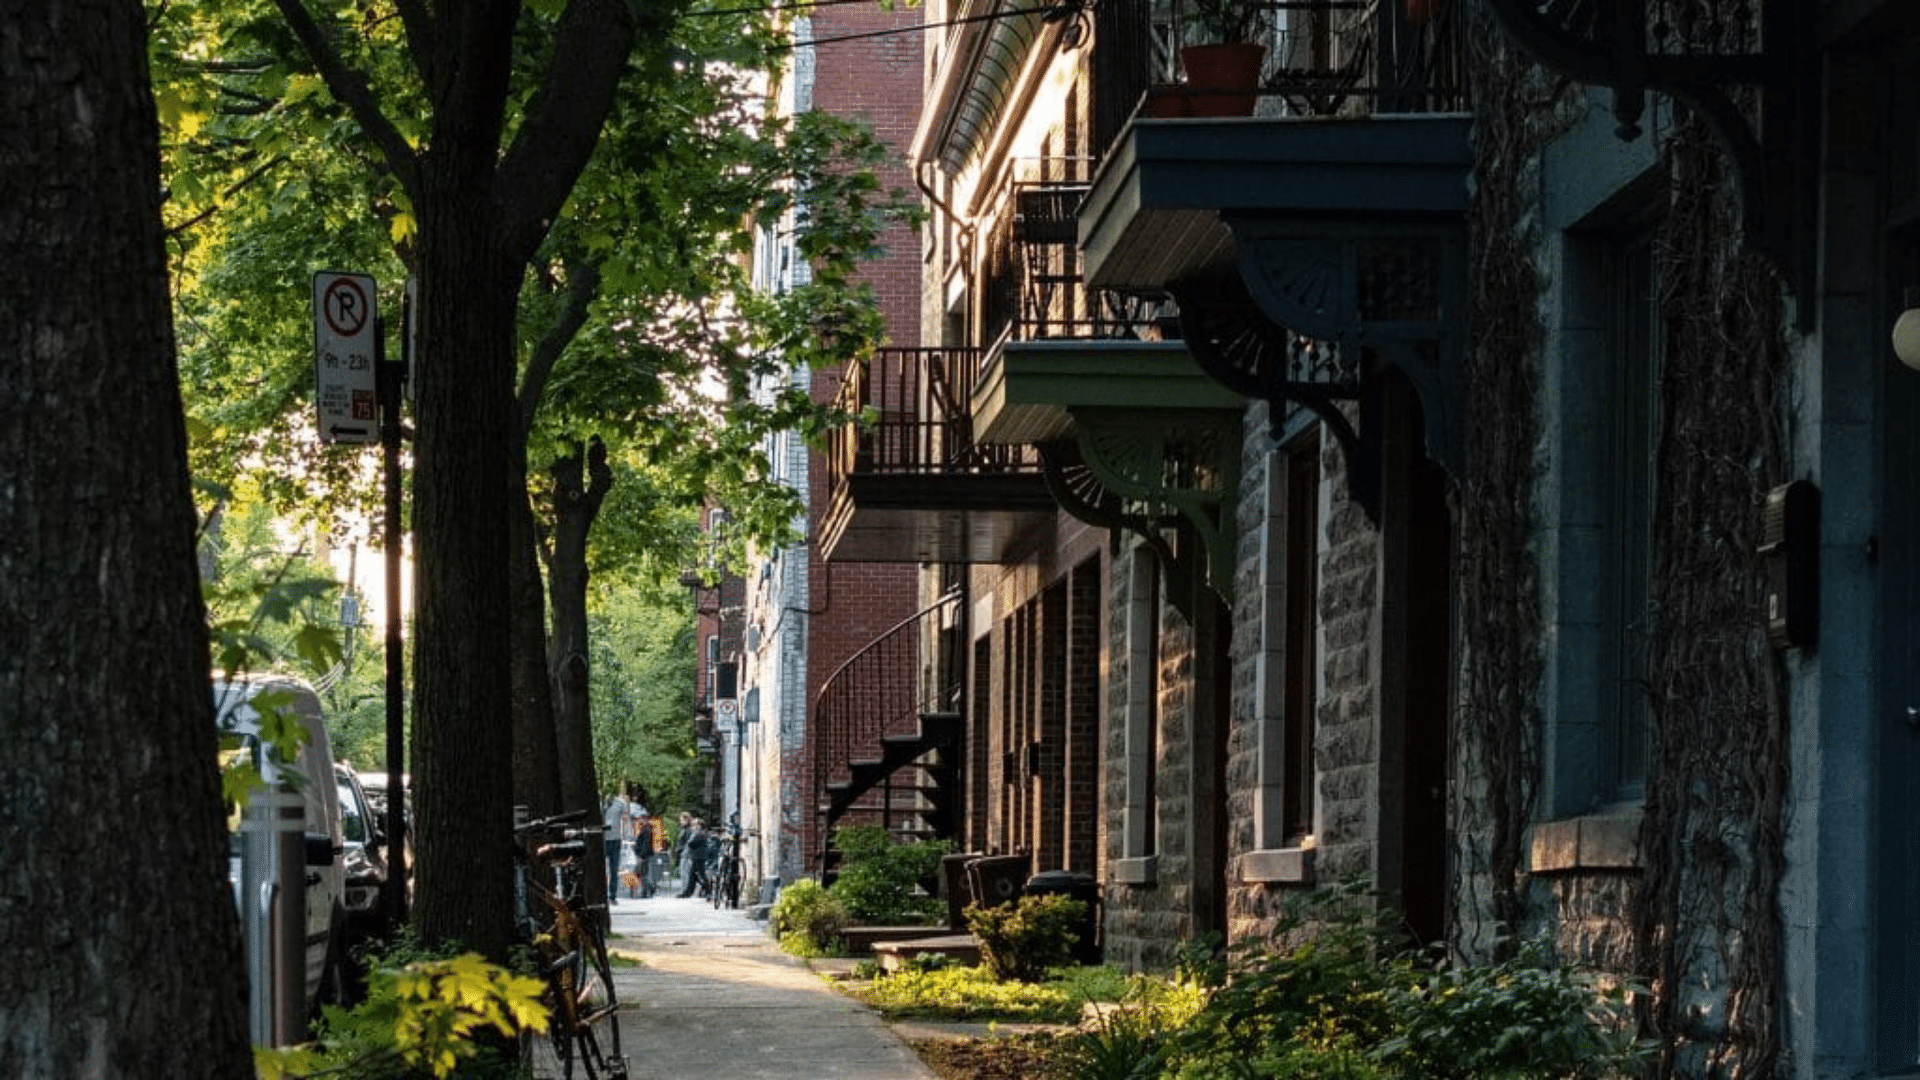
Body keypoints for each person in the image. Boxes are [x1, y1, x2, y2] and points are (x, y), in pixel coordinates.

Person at [602, 788, 632, 905]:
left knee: (614, 870)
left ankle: (612, 896)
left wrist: (627, 834)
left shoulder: (620, 803)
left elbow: (625, 819)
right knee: (601, 869)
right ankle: (602, 895)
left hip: (615, 839)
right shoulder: (600, 803)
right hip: (603, 839)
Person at [677, 818, 713, 899]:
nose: (694, 826)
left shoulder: (700, 834)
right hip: (696, 857)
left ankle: (708, 891)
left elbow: (691, 843)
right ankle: (688, 893)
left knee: (700, 875)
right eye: (693, 825)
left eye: (696, 825)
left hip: (699, 857)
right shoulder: (695, 834)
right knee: (692, 876)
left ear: (700, 826)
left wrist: (690, 841)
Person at [632, 810, 663, 898]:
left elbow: (645, 844)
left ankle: (647, 891)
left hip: (644, 855)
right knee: (643, 873)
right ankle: (648, 890)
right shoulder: (646, 828)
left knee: (643, 873)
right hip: (644, 854)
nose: (639, 820)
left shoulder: (646, 830)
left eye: (640, 819)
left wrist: (642, 855)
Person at [672, 811, 693, 886]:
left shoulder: (688, 830)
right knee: (683, 872)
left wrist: (683, 851)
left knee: (684, 873)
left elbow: (688, 842)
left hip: (685, 854)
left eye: (681, 820)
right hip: (683, 854)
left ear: (686, 820)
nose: (680, 822)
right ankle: (685, 890)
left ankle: (685, 890)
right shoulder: (684, 829)